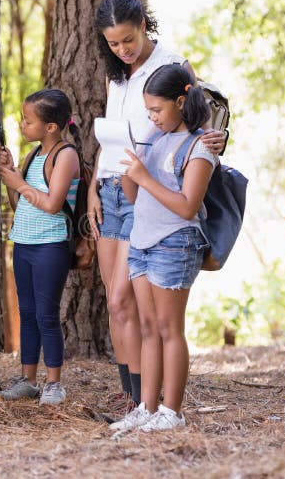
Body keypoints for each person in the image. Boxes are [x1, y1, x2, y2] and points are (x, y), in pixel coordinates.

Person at [87, 0, 226, 415]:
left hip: (150, 191)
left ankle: (149, 401)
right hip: (113, 186)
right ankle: (133, 398)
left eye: (128, 40)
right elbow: (111, 135)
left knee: (130, 299)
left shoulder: (172, 64)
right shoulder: (117, 76)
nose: (123, 50)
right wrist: (94, 185)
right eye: (113, 44)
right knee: (115, 301)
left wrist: (215, 138)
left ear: (143, 25)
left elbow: (201, 121)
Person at [109, 64, 217, 432]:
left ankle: (172, 411)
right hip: (140, 241)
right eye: (148, 111)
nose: (152, 117)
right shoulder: (154, 140)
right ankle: (147, 407)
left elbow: (188, 205)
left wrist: (143, 176)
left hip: (175, 243)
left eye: (157, 109)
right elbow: (133, 195)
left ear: (181, 102)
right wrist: (128, 171)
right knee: (149, 327)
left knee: (171, 329)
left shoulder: (199, 146)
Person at [0, 89, 81, 406]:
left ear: (51, 127)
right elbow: (22, 205)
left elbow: (52, 203)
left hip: (51, 245)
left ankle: (54, 383)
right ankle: (28, 380)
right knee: (28, 313)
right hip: (25, 243)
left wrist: (19, 183)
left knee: (47, 314)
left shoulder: (65, 155)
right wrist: (12, 178)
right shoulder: (33, 156)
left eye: (28, 120)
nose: (21, 124)